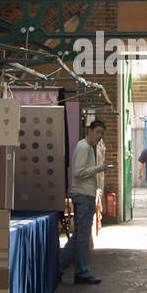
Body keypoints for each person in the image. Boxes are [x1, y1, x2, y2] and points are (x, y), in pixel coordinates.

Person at [60, 119, 106, 284]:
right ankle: (62, 267)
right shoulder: (84, 147)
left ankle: (80, 270)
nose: (99, 136)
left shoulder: (90, 148)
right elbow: (79, 172)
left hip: (86, 194)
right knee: (81, 235)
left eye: (102, 133)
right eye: (98, 132)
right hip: (83, 195)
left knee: (81, 235)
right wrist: (99, 168)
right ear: (90, 130)